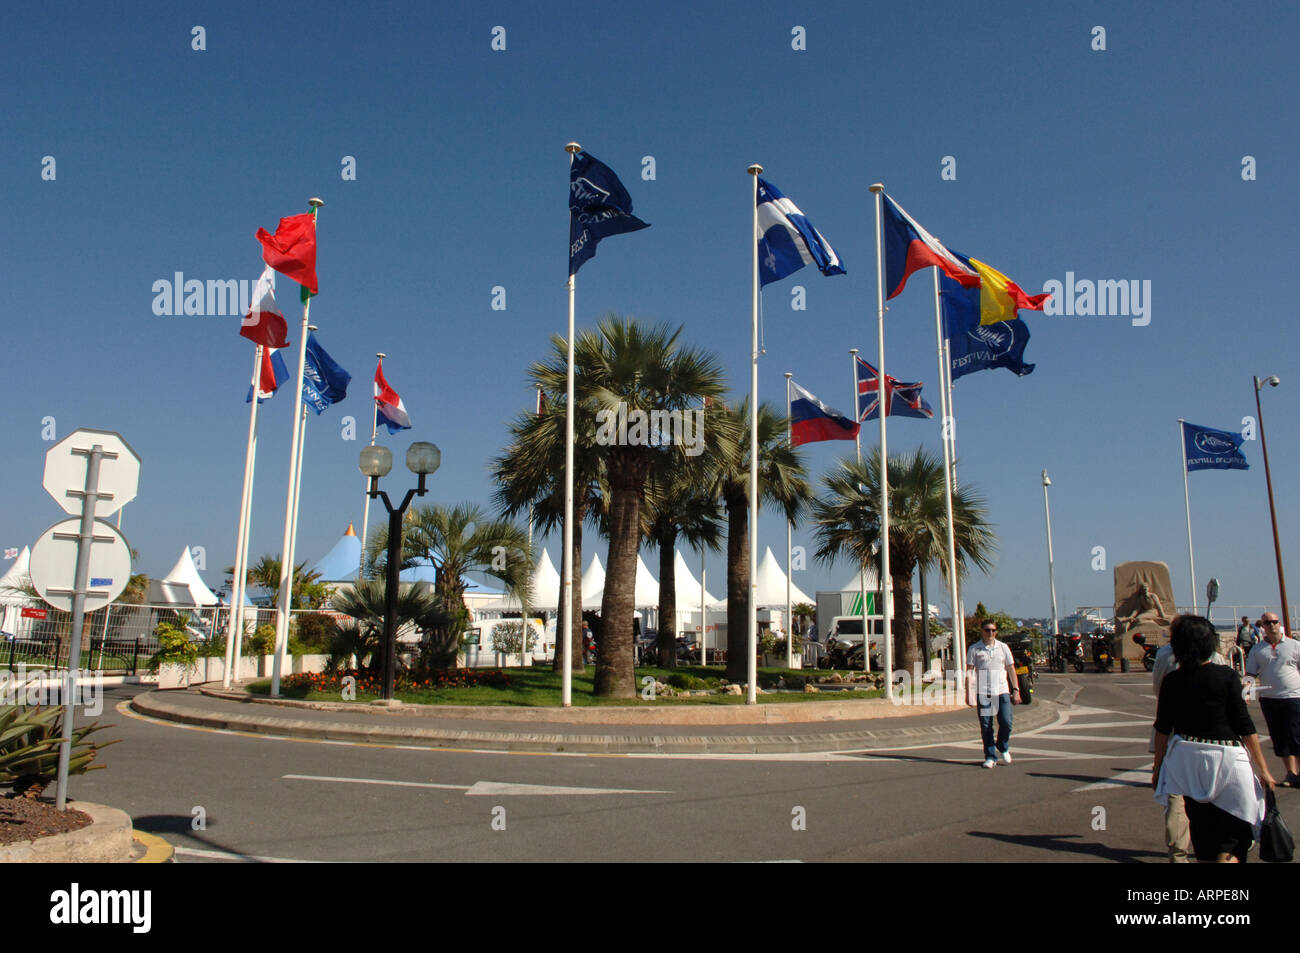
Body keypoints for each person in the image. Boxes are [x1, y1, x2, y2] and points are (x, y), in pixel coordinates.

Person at [1153, 615, 1275, 863]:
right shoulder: (1225, 676)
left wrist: (1158, 768)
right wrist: (1263, 769)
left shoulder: (1172, 681)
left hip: (1186, 761)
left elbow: (1163, 729)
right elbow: (1245, 727)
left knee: (1202, 828)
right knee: (1234, 833)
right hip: (1226, 757)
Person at [1245, 612, 1300, 788]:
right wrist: (1247, 693)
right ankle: (1291, 773)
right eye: (1267, 623)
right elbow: (1251, 673)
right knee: (1280, 737)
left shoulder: (1294, 646)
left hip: (1294, 697)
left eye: (1274, 622)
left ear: (1279, 623)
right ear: (1263, 626)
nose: (1272, 625)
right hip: (1270, 699)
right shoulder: (1257, 649)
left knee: (1296, 736)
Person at [966, 619, 1019, 768]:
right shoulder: (975, 649)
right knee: (986, 726)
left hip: (1002, 691)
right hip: (984, 692)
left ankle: (1002, 745)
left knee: (1006, 722)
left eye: (993, 630)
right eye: (987, 630)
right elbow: (969, 672)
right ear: (982, 631)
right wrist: (969, 693)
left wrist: (1016, 690)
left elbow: (1011, 669)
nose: (990, 633)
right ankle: (990, 756)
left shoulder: (1003, 648)